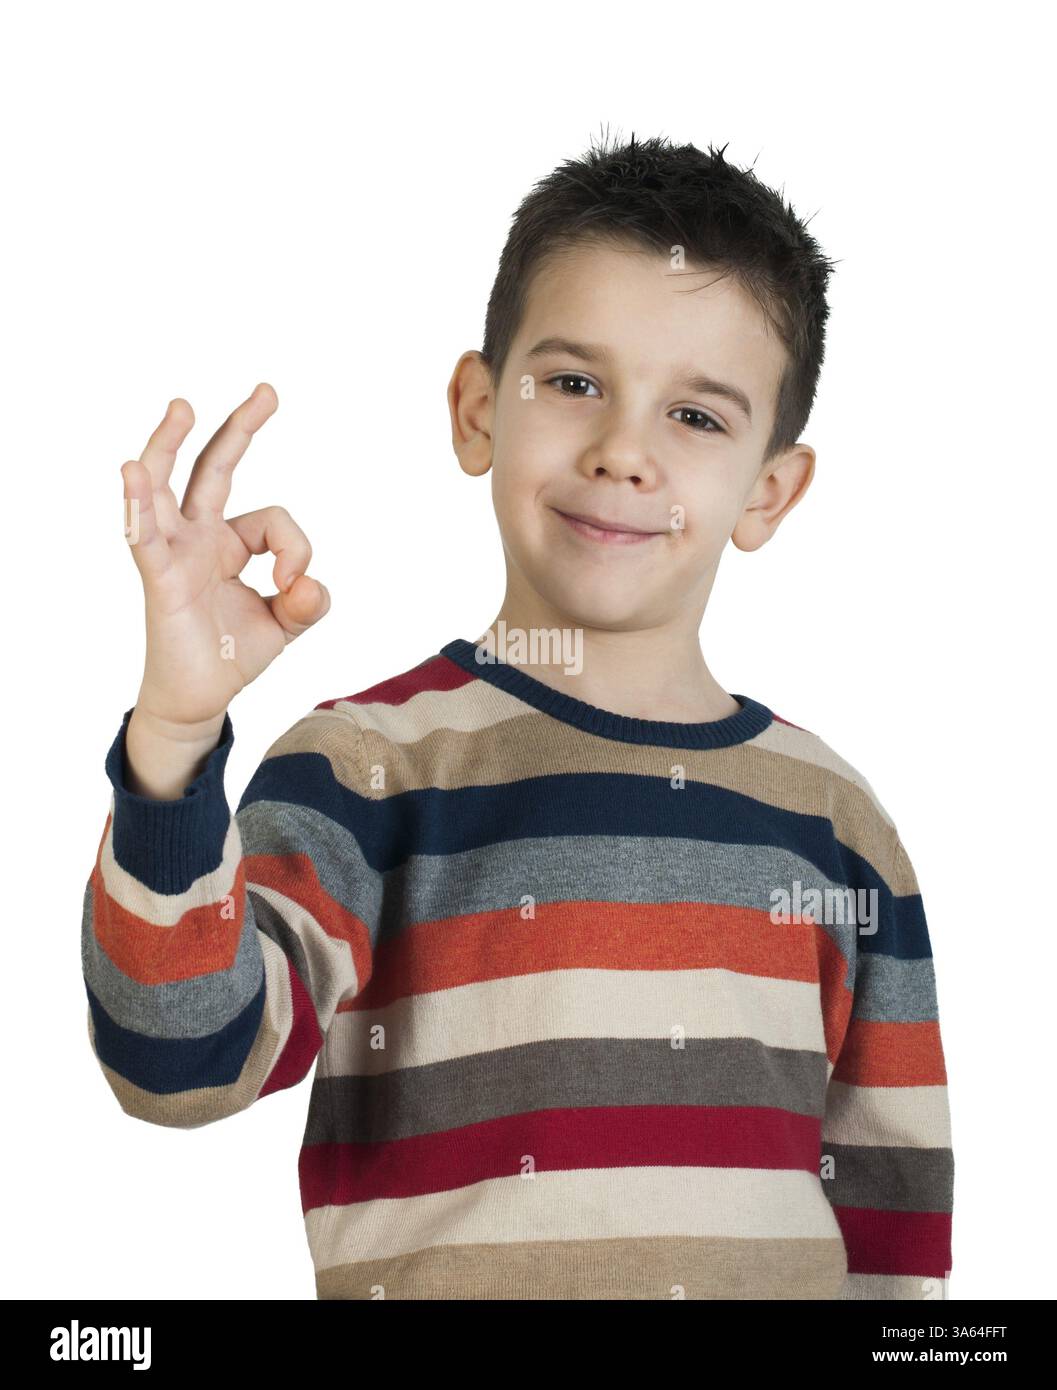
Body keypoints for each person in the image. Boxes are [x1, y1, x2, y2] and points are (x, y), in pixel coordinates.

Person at [82, 134, 954, 1300]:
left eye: (697, 417)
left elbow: (896, 1236)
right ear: (477, 411)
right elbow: (176, 1060)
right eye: (576, 384)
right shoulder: (365, 773)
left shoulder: (836, 825)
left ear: (769, 490)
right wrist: (176, 743)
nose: (622, 453)